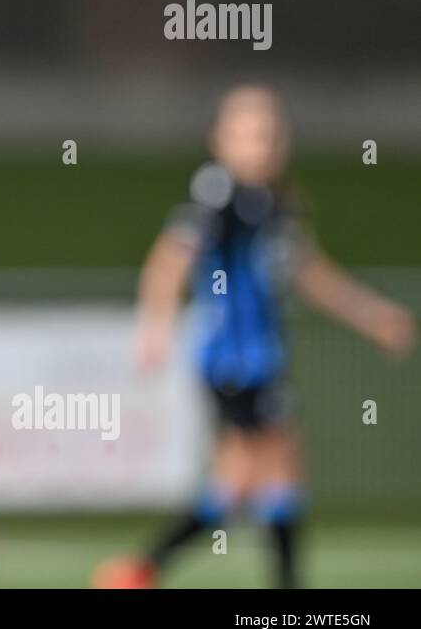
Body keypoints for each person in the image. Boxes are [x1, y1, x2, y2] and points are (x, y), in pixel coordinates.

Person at [93, 84, 415, 589]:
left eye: (268, 134)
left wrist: (371, 315)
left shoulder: (275, 205)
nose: (260, 145)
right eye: (246, 134)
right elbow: (168, 260)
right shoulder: (218, 196)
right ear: (219, 140)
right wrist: (154, 327)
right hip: (234, 362)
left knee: (244, 485)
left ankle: (143, 569)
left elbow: (307, 271)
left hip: (264, 358)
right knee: (270, 475)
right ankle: (153, 571)